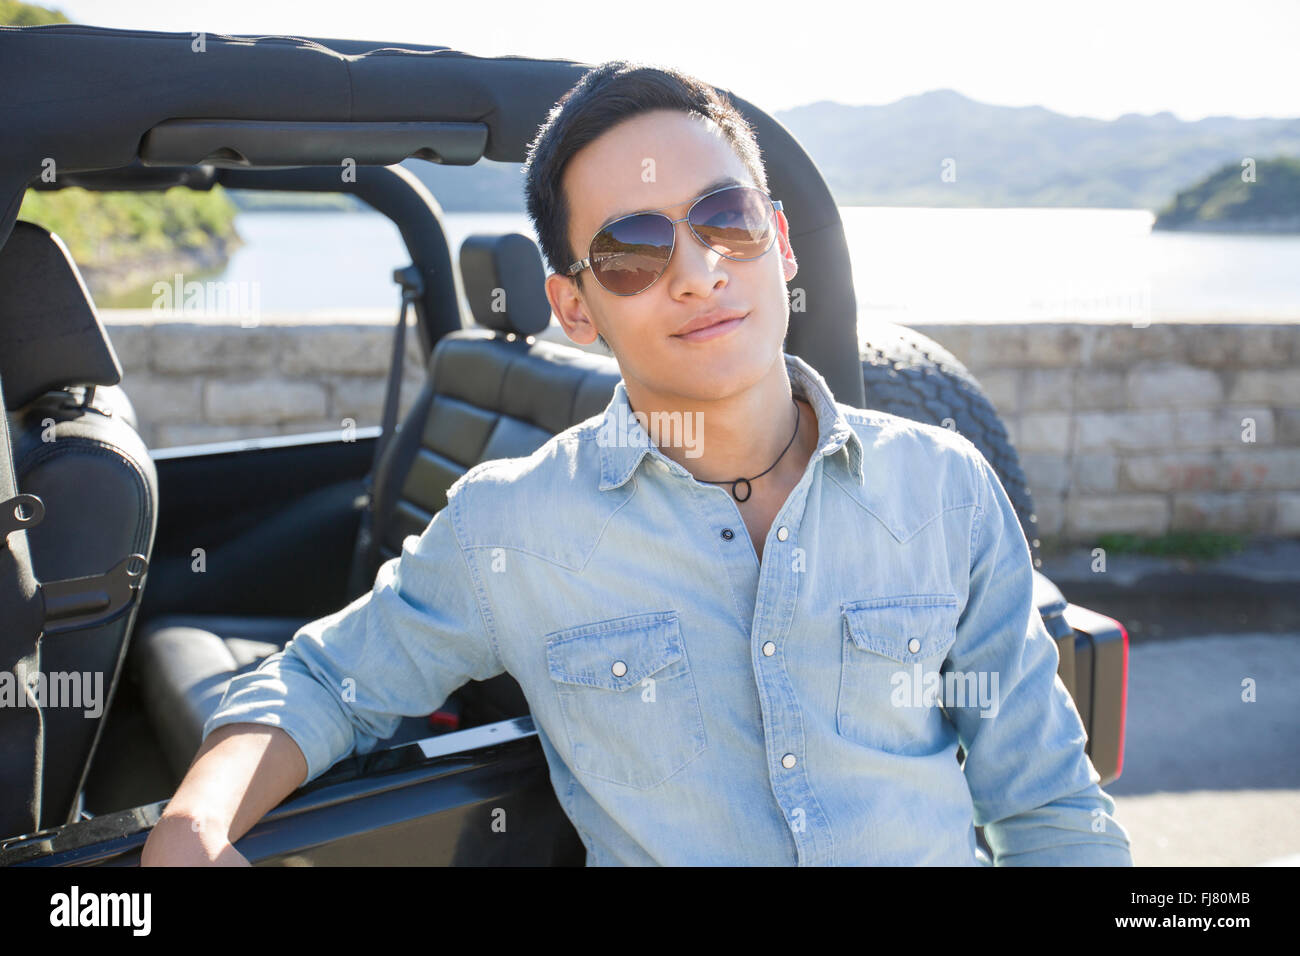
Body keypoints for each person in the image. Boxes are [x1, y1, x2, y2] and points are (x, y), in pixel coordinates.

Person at [141, 60, 1132, 866]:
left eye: (727, 219)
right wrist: (192, 826)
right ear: (576, 306)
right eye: (632, 249)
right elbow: (325, 681)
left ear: (778, 240)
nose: (699, 269)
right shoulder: (516, 527)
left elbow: (1047, 806)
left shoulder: (944, 487)